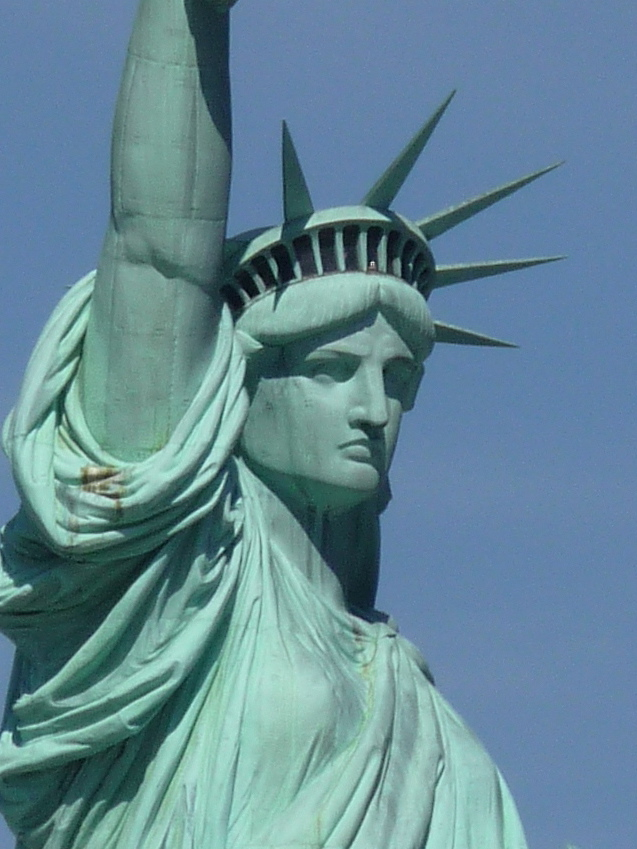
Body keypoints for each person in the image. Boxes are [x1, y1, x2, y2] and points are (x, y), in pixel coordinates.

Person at [0, 1, 559, 846]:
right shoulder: (170, 575)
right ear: (238, 383)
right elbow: (156, 251)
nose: (373, 409)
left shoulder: (408, 696)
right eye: (331, 370)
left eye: (396, 378)